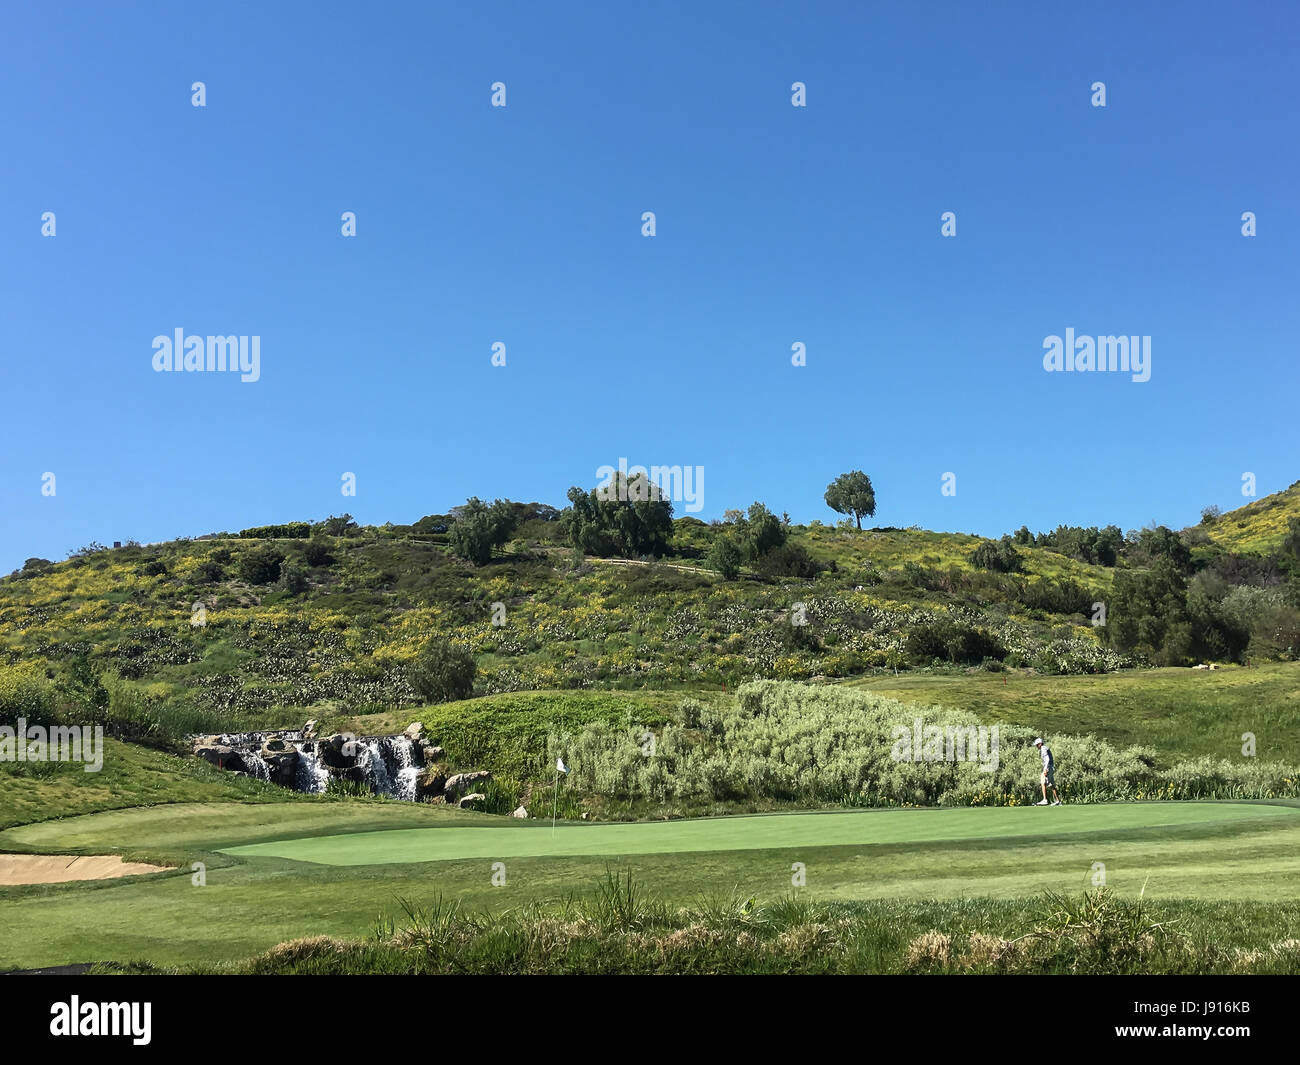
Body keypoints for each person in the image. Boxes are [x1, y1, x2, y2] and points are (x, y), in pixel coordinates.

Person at [1033, 737, 1061, 805]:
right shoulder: (1045, 748)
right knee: (1051, 784)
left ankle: (1045, 799)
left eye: (1037, 745)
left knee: (1043, 781)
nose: (1036, 746)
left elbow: (1047, 759)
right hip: (1050, 767)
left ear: (1040, 744)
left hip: (1048, 767)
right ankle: (1058, 801)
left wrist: (1045, 769)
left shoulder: (1043, 748)